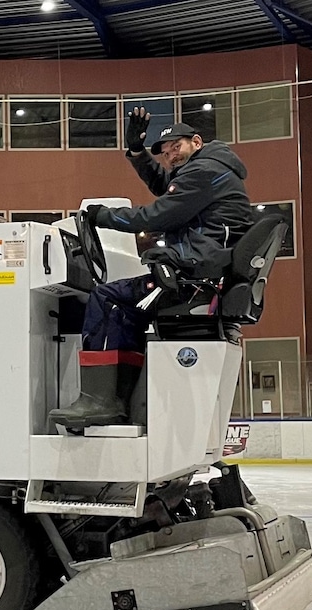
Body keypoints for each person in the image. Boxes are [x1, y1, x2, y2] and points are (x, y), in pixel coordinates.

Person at [50, 109, 255, 428]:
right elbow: (167, 188)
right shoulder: (212, 170)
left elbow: (155, 216)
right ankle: (120, 398)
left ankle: (101, 400)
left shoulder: (203, 173)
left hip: (194, 277)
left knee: (109, 299)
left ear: (196, 142)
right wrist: (137, 153)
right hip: (205, 274)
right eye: (165, 151)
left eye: (176, 146)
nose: (170, 154)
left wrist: (105, 216)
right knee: (124, 302)